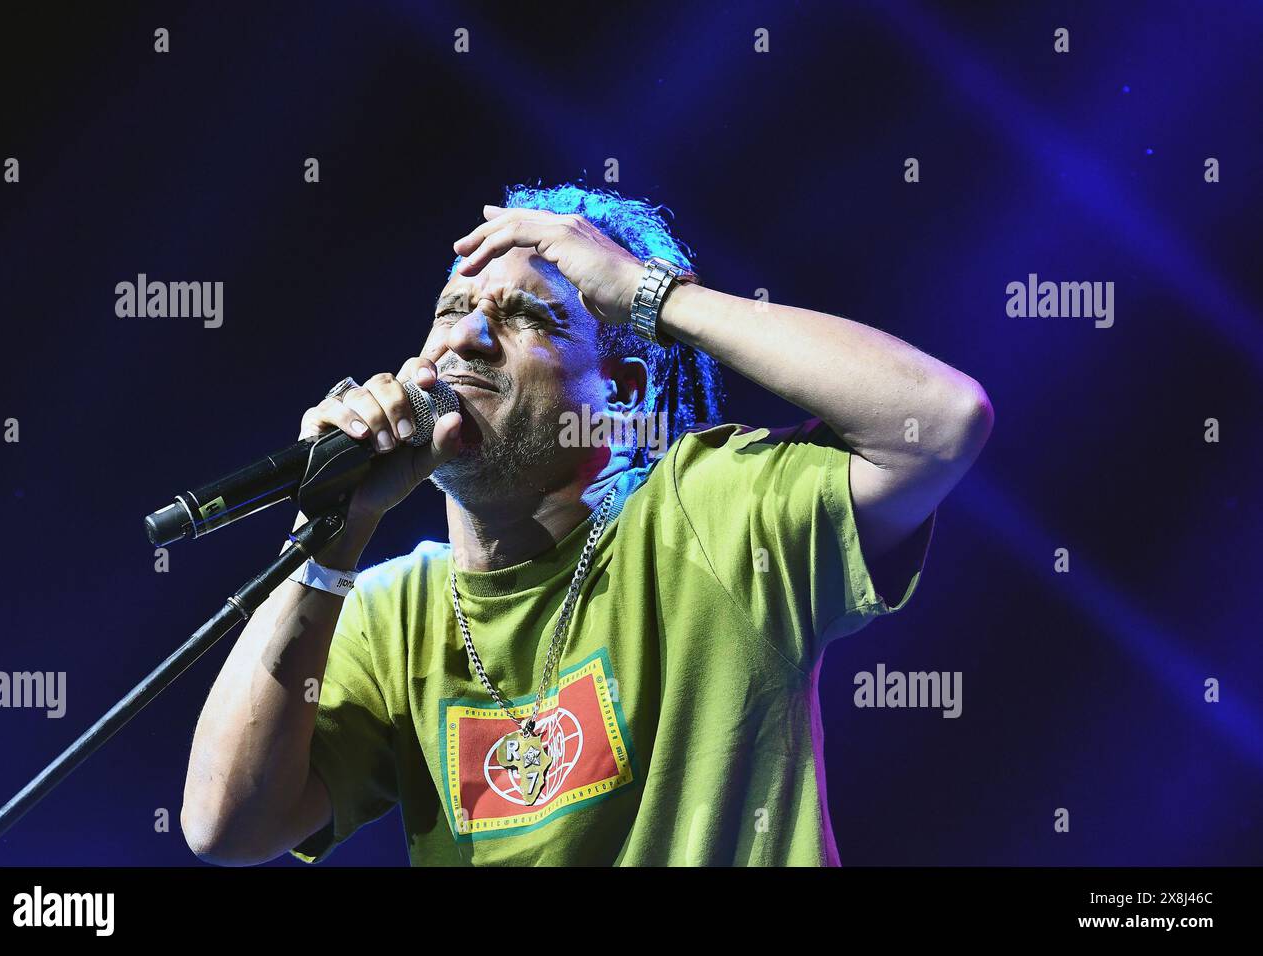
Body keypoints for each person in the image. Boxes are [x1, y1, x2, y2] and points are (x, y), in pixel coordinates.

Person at [180, 183, 993, 866]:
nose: (466, 335)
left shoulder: (710, 510)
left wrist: (648, 293)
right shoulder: (388, 611)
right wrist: (329, 536)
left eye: (529, 317)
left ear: (627, 389)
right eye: (453, 308)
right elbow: (226, 823)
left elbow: (940, 419)